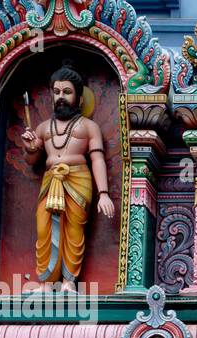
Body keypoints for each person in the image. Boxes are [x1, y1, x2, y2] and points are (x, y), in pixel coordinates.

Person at [20, 65, 115, 292]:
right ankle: (47, 282)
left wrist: (104, 193)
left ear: (80, 98)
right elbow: (32, 160)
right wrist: (29, 148)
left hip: (78, 179)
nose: (61, 97)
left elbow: (97, 159)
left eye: (67, 92)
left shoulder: (89, 127)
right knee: (45, 229)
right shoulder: (44, 127)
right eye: (57, 92)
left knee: (74, 230)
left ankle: (68, 282)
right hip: (51, 179)